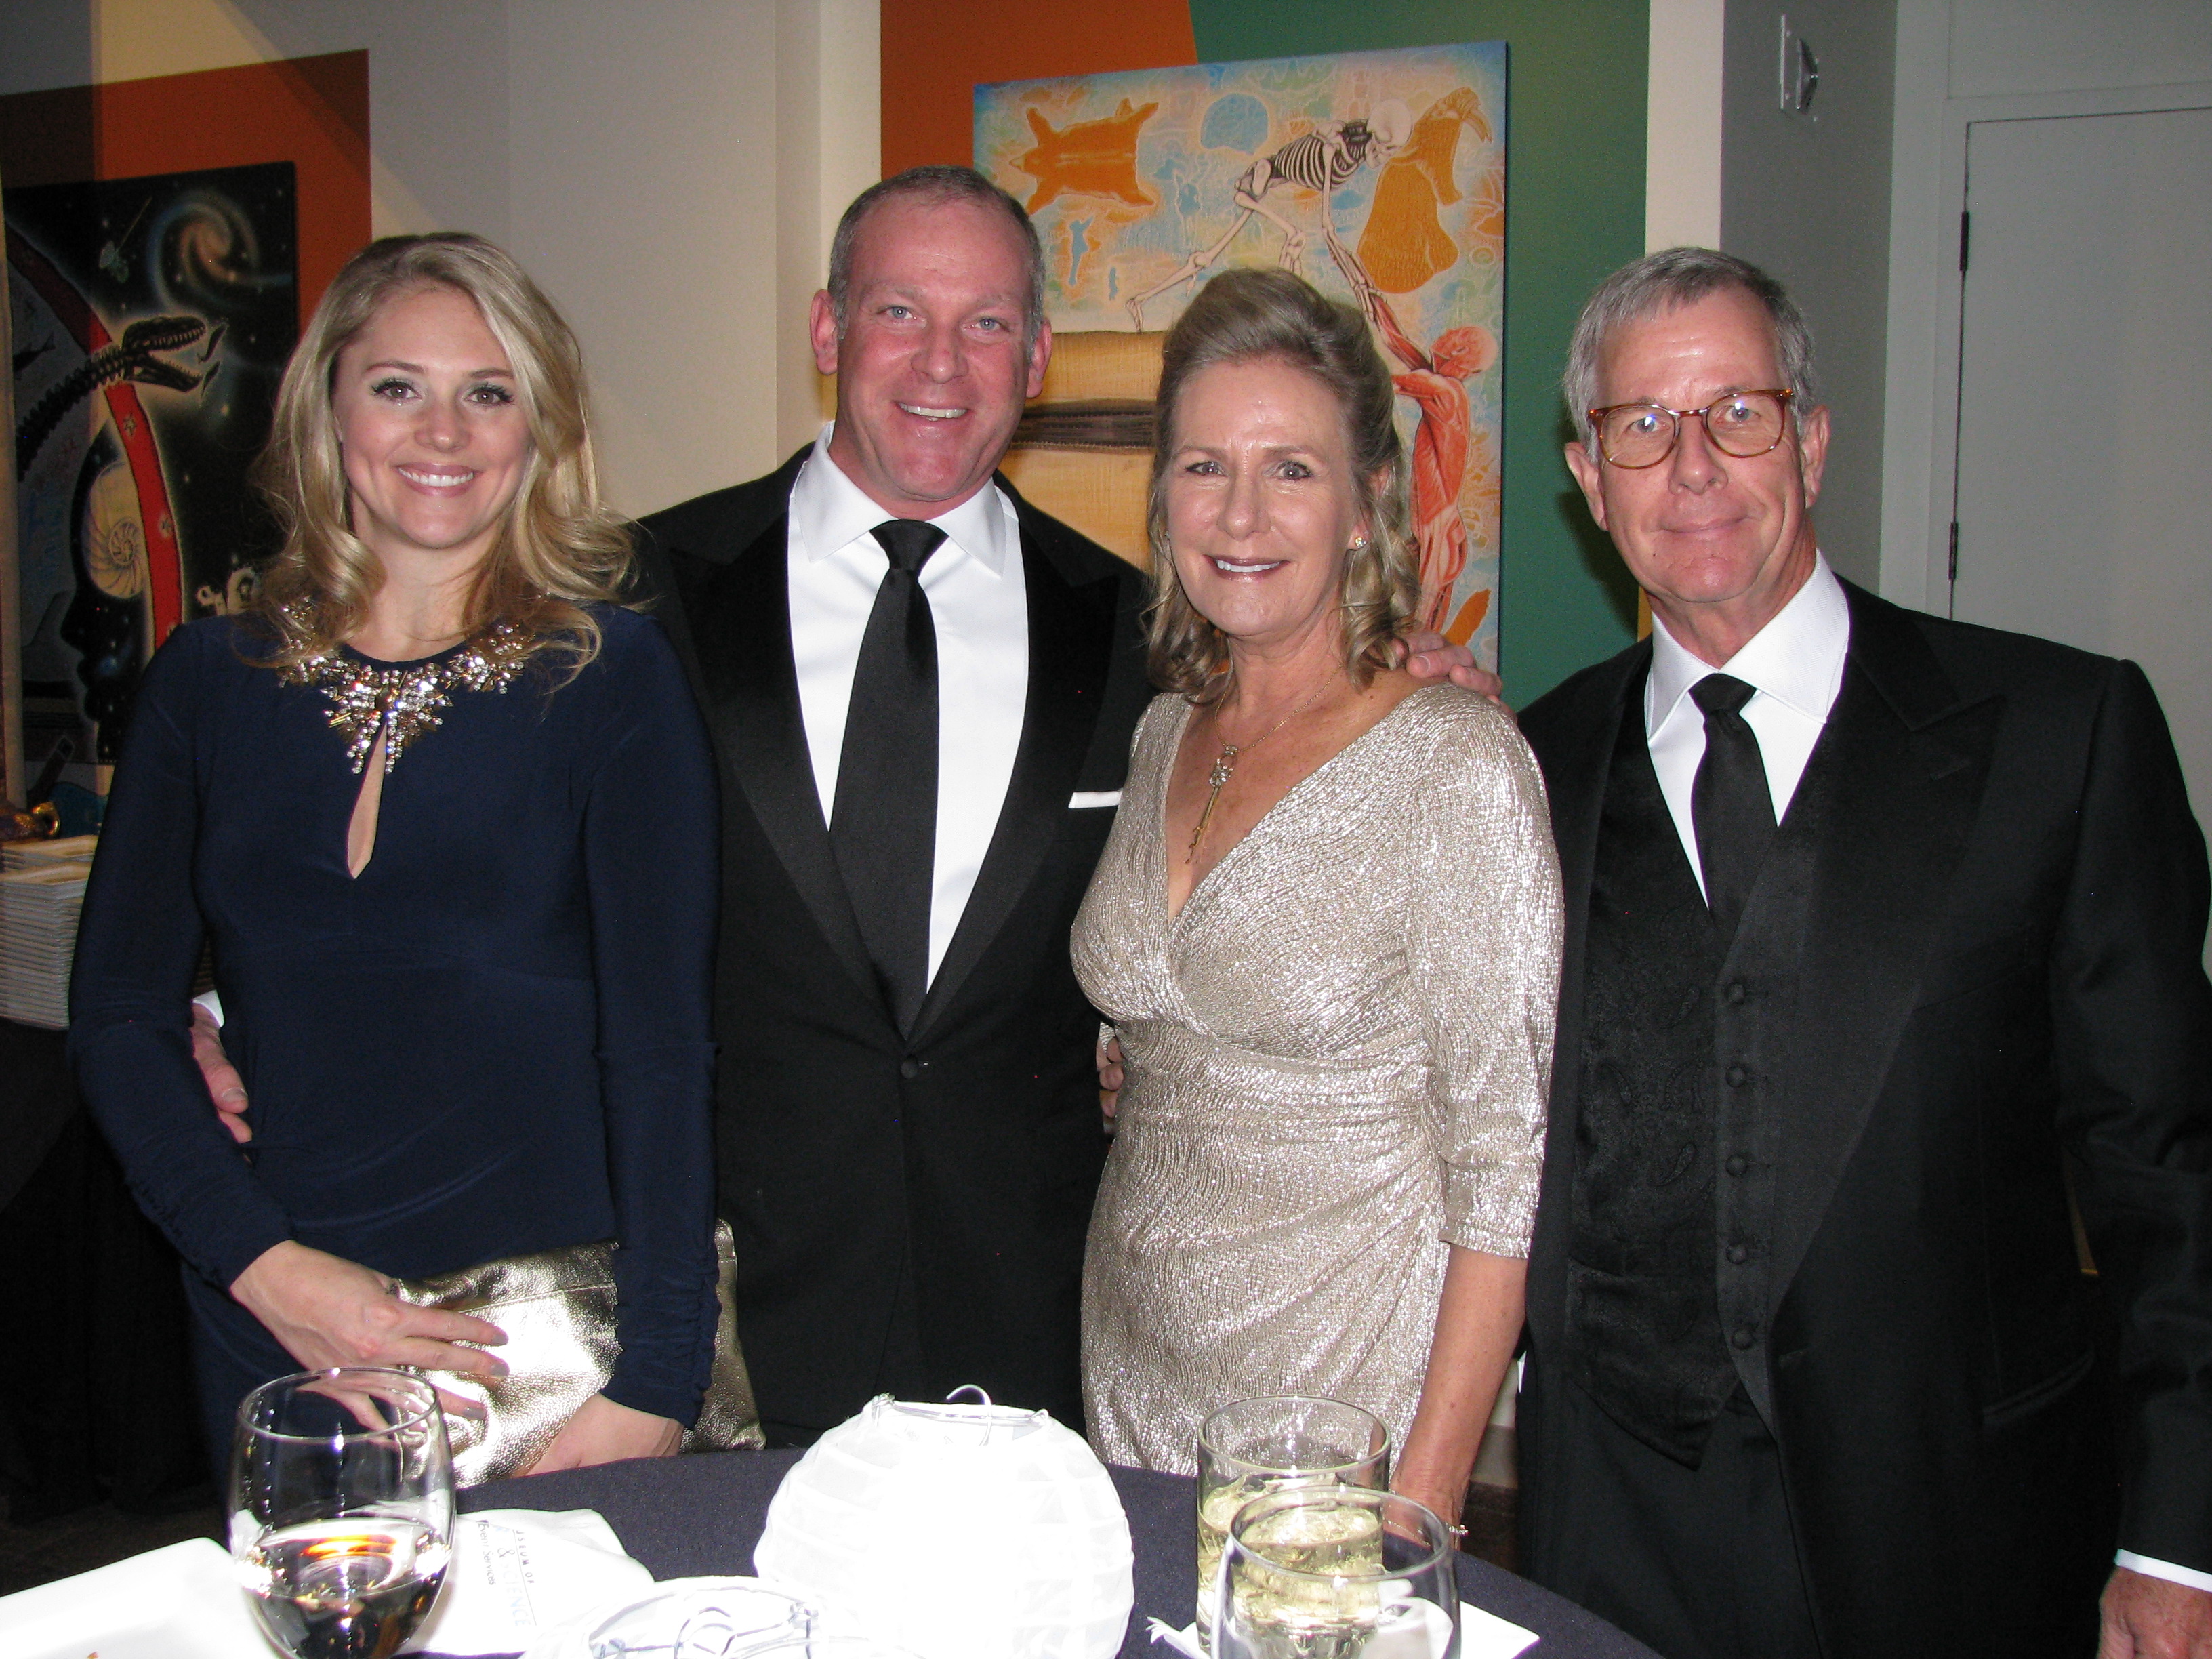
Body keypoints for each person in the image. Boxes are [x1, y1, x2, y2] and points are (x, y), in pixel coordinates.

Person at [198, 170, 1490, 1447]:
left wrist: (1402, 670)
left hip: (1038, 1324)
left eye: (987, 322)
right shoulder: (627, 599)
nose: (943, 362)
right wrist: (216, 1004)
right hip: (720, 1321)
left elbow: (1289, 741)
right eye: (898, 313)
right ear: (828, 331)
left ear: (1036, 354)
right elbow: (435, 821)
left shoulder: (1150, 635)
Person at [1513, 246, 2212, 1659]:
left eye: (1740, 413)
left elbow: (2172, 1169)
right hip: (1613, 1530)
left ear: (1814, 443)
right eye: (1643, 425)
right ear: (1591, 482)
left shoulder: (2058, 734)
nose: (1692, 465)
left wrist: (2178, 1538)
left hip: (1951, 1524)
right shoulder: (1526, 762)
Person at [72, 233, 722, 1475]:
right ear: (328, 411)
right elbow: (116, 1014)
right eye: (397, 387)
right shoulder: (205, 684)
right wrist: (266, 1272)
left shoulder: (610, 679)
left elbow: (663, 1052)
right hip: (276, 1319)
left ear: (539, 428)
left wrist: (661, 1373)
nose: (444, 431)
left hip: (534, 1343)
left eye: (488, 392)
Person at [1072, 267, 1561, 1526]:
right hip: (1130, 1365)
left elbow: (1507, 1168)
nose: (1240, 511)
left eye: (1292, 468)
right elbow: (1173, 1002)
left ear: (1366, 506)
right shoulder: (1162, 733)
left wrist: (1429, 1495)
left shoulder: (1456, 763)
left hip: (1339, 1400)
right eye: (1202, 466)